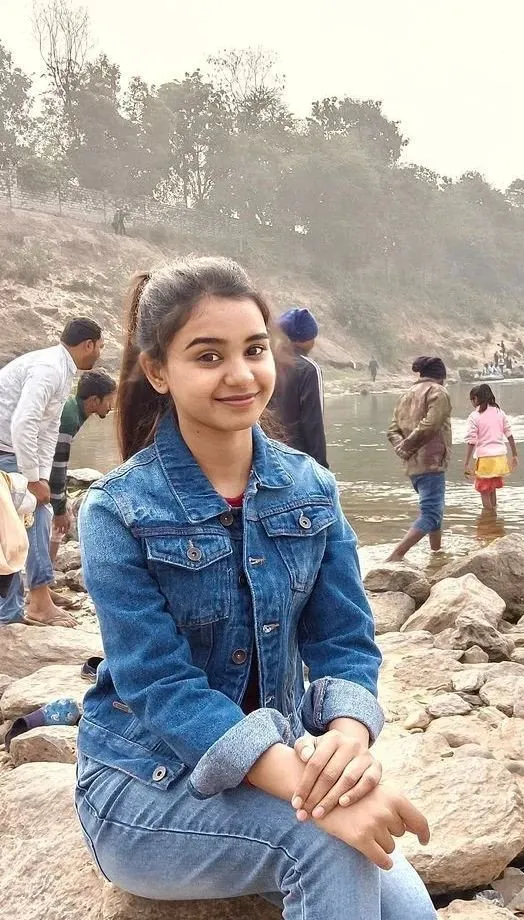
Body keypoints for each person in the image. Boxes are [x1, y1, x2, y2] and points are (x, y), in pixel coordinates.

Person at [74, 257, 434, 919]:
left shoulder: (311, 489)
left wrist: (346, 742)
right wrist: (313, 792)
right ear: (158, 370)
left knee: (409, 908)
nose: (241, 375)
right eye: (208, 356)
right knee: (326, 846)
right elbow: (158, 682)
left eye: (255, 350)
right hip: (147, 782)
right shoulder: (117, 510)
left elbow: (345, 642)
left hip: (280, 766)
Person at [0, 318, 104, 626]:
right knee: (23, 519)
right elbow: (24, 423)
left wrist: (42, 477)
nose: (100, 353)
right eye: (100, 346)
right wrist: (33, 479)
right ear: (88, 345)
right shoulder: (48, 369)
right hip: (6, 449)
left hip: (14, 450)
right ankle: (36, 602)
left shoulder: (62, 369)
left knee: (28, 514)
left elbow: (47, 431)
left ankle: (23, 605)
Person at [386, 356, 451, 562]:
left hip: (413, 465)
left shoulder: (406, 394)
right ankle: (396, 555)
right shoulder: (438, 392)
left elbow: (392, 430)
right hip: (431, 460)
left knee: (434, 509)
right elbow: (431, 424)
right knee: (431, 513)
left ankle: (436, 553)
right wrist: (408, 446)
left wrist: (403, 449)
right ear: (441, 377)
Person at [49, 371, 117, 563]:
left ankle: (46, 573)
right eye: (109, 400)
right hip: (27, 469)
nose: (111, 406)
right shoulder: (69, 417)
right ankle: (41, 576)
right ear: (94, 400)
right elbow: (58, 463)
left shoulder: (74, 410)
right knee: (56, 519)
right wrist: (58, 508)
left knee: (62, 518)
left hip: (39, 468)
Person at [270, 307, 328, 468]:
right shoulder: (308, 369)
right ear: (305, 339)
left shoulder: (267, 362)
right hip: (297, 459)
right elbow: (313, 423)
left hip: (267, 454)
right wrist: (321, 468)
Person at [463, 384, 518, 512]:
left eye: (472, 399)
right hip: (500, 458)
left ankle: (489, 518)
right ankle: (494, 516)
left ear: (476, 398)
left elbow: (471, 441)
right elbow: (509, 435)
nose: (472, 402)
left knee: (484, 491)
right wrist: (515, 455)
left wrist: (466, 462)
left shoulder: (475, 416)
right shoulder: (500, 412)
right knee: (492, 489)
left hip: (485, 459)